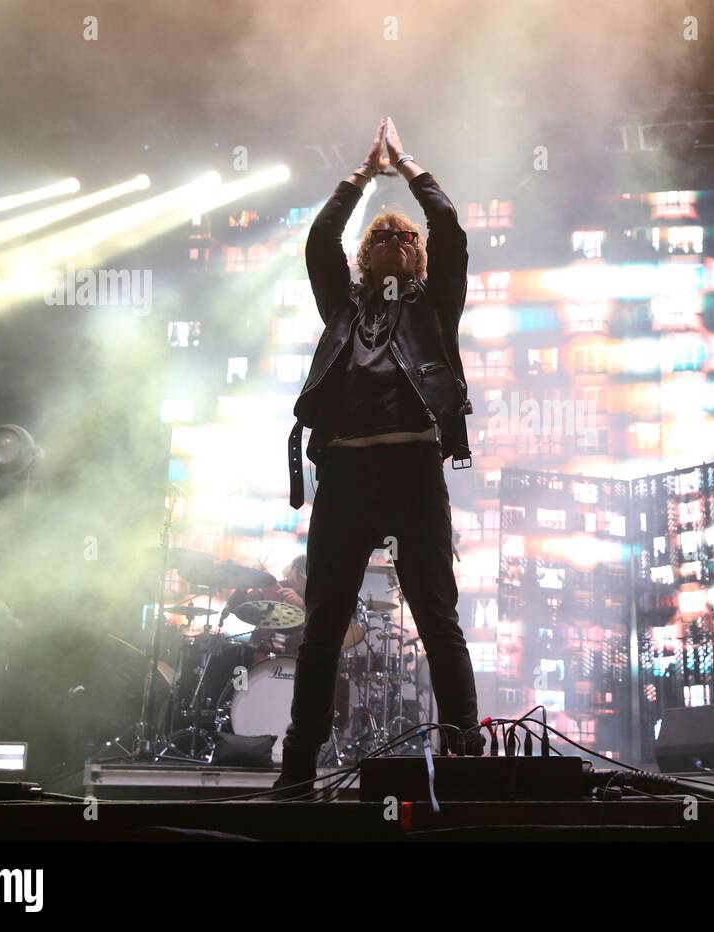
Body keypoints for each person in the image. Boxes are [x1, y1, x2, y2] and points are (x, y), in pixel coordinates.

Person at [278, 117, 482, 792]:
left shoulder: (434, 304)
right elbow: (317, 239)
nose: (396, 238)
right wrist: (362, 176)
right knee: (322, 627)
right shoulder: (341, 305)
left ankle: (463, 758)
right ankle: (299, 765)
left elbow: (448, 225)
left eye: (405, 236)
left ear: (418, 258)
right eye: (382, 234)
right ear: (367, 255)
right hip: (348, 472)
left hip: (414, 470)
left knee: (437, 617)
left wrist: (410, 165)